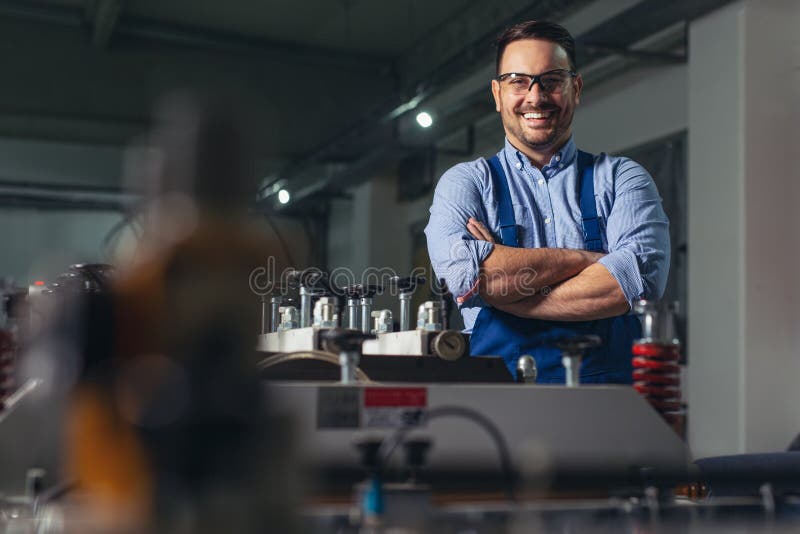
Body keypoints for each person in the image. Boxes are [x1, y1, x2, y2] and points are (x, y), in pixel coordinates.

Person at [425, 20, 669, 383]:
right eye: (518, 82)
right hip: (499, 394)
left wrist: (506, 289)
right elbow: (464, 278)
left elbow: (631, 284)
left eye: (552, 80)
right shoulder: (466, 184)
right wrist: (586, 261)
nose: (536, 97)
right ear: (497, 94)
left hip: (606, 399)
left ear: (576, 88)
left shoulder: (622, 178)